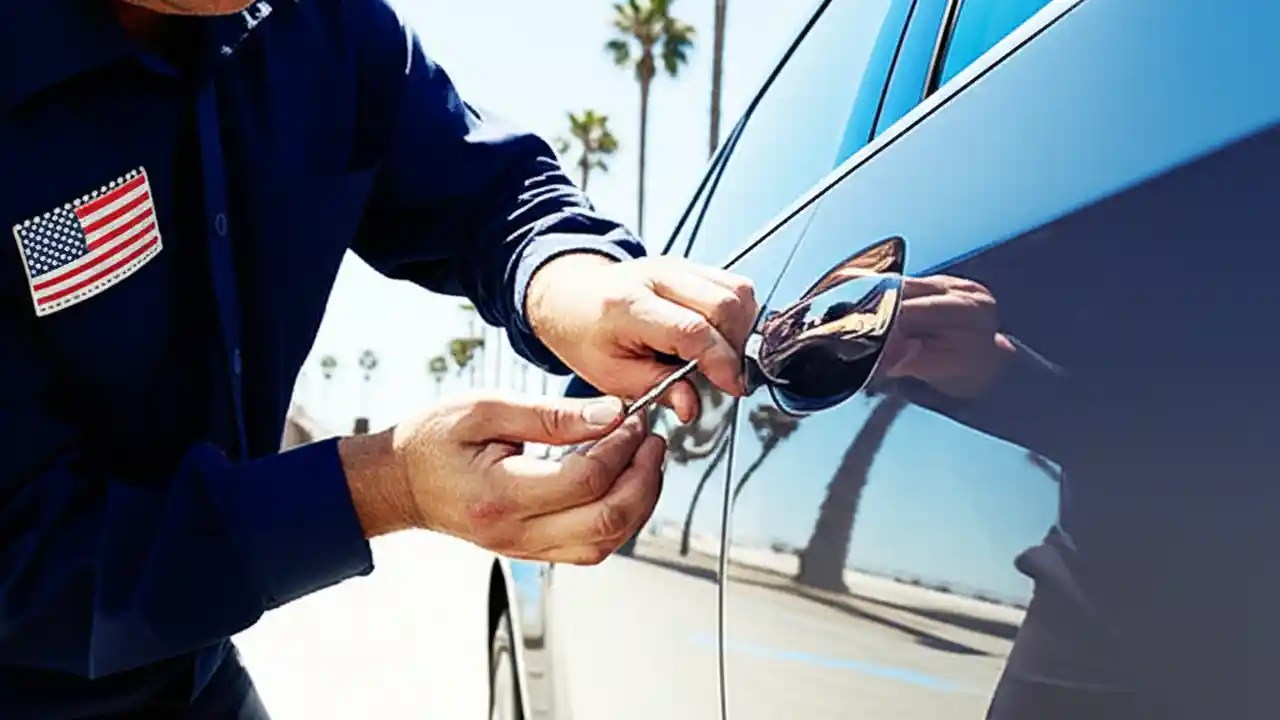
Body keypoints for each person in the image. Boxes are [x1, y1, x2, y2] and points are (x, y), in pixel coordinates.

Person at [0, 0, 759, 717]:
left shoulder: (317, 27)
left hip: (186, 672)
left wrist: (570, 282)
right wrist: (384, 487)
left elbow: (484, 191)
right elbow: (23, 562)